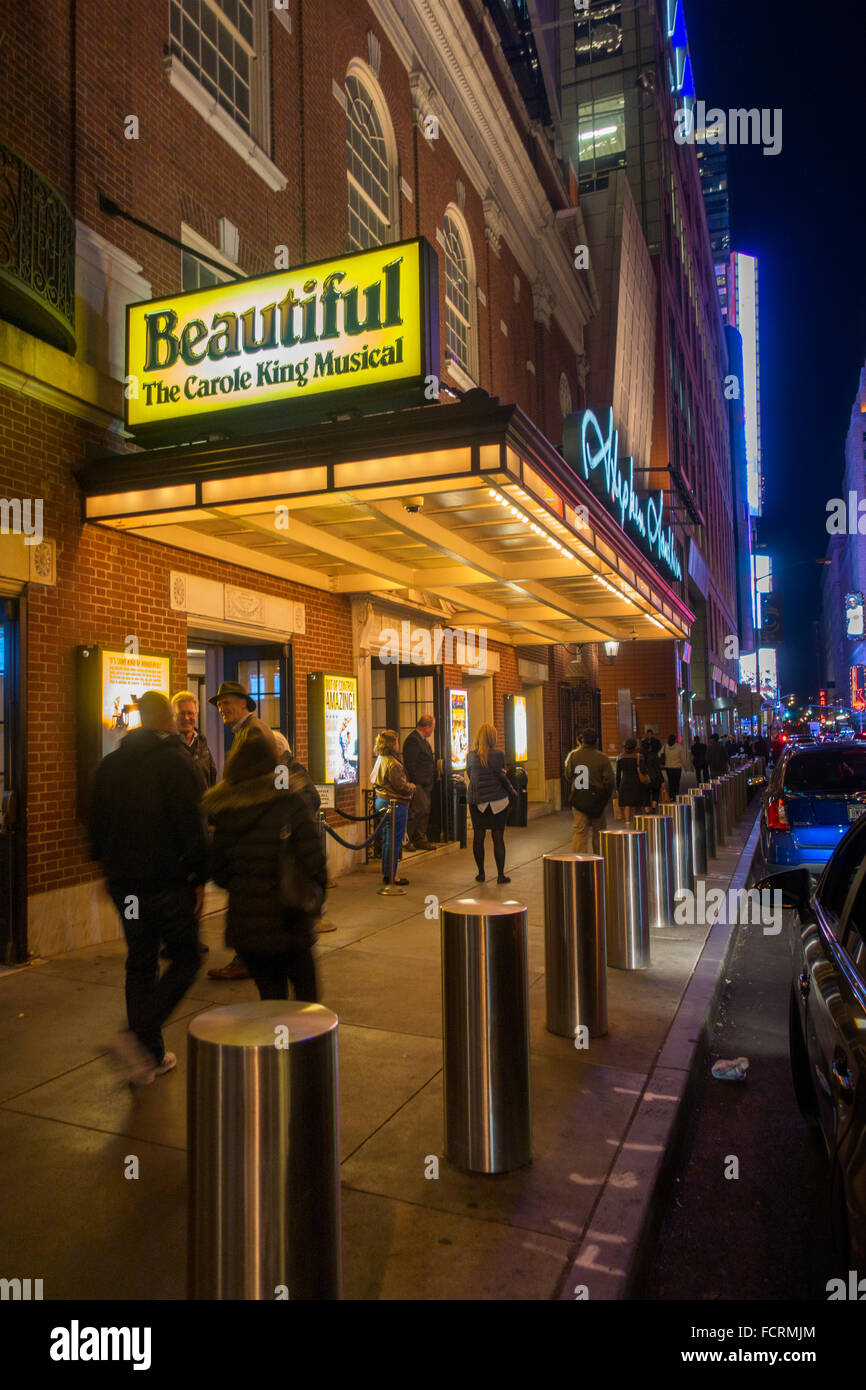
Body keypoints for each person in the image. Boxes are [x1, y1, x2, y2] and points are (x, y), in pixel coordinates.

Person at [90, 690, 209, 1086]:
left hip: (128, 889)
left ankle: (148, 1057)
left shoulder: (112, 764)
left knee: (140, 958)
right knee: (187, 957)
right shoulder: (178, 763)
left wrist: (108, 872)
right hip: (166, 885)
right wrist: (198, 879)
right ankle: (137, 1037)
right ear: (170, 719)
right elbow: (192, 827)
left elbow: (95, 822)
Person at [203, 733, 327, 1002]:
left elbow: (219, 872)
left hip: (248, 929)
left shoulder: (227, 810)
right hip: (290, 922)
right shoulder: (289, 803)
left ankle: (277, 1043)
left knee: (271, 1002)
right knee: (308, 1004)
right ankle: (303, 1045)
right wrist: (316, 900)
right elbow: (314, 860)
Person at [207, 680, 281, 980]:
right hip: (256, 825)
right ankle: (253, 955)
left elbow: (249, 782)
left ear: (243, 703)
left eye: (227, 703)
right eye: (220, 704)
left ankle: (246, 959)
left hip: (253, 827)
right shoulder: (250, 730)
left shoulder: (252, 733)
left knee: (247, 898)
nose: (222, 708)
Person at [466, 723, 515, 884]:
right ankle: (501, 875)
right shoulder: (498, 754)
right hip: (498, 801)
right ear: (492, 738)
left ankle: (481, 874)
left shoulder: (471, 755)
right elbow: (502, 776)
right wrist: (512, 792)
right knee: (498, 836)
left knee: (478, 837)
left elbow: (469, 774)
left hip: (478, 801)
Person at [371, 730, 415, 886]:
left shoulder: (380, 759)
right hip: (395, 804)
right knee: (394, 840)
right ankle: (392, 875)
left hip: (381, 801)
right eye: (396, 741)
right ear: (391, 744)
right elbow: (400, 786)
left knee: (386, 839)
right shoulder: (393, 763)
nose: (398, 744)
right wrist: (412, 787)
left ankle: (386, 873)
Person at [564, 728, 615, 853]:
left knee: (580, 832)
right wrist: (605, 797)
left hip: (579, 798)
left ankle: (580, 861)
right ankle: (598, 858)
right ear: (596, 740)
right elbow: (610, 781)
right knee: (599, 831)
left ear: (582, 740)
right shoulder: (602, 758)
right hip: (597, 800)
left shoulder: (574, 756)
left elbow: (568, 775)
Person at [403, 715, 436, 852]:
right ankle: (407, 840)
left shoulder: (423, 741)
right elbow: (411, 765)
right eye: (432, 728)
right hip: (418, 784)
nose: (433, 731)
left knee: (424, 812)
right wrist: (417, 782)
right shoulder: (413, 740)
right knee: (417, 811)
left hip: (426, 783)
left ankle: (420, 839)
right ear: (426, 727)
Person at [171, 690, 217, 788]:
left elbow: (211, 779)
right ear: (173, 716)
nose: (186, 718)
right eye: (181, 713)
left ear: (197, 715)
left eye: (190, 713)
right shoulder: (167, 745)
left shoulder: (203, 745)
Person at [616, 737, 649, 823]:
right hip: (637, 783)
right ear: (635, 747)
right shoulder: (639, 757)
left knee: (627, 805)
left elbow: (618, 774)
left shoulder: (620, 758)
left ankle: (627, 823)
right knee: (638, 804)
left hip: (625, 782)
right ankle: (639, 823)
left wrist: (617, 787)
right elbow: (644, 770)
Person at [640, 727, 664, 808]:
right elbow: (657, 768)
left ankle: (647, 809)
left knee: (647, 792)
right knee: (655, 791)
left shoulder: (655, 741)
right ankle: (653, 806)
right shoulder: (644, 742)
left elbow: (641, 768)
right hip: (654, 776)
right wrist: (662, 780)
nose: (649, 735)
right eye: (648, 734)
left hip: (647, 777)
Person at [660, 733, 689, 799]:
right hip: (677, 767)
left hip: (668, 767)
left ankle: (671, 796)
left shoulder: (665, 747)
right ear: (675, 740)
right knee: (676, 782)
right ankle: (676, 795)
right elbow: (683, 758)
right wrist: (686, 767)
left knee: (670, 782)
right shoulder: (679, 747)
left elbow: (659, 754)